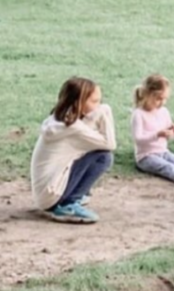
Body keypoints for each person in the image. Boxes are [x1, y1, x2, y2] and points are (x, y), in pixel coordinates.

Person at [30, 76, 116, 223]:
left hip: (46, 192)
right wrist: (105, 112)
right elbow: (110, 144)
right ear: (78, 103)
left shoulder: (60, 119)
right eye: (95, 102)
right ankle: (68, 203)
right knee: (103, 156)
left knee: (93, 152)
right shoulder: (73, 127)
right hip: (51, 194)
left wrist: (99, 110)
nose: (98, 106)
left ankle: (72, 195)